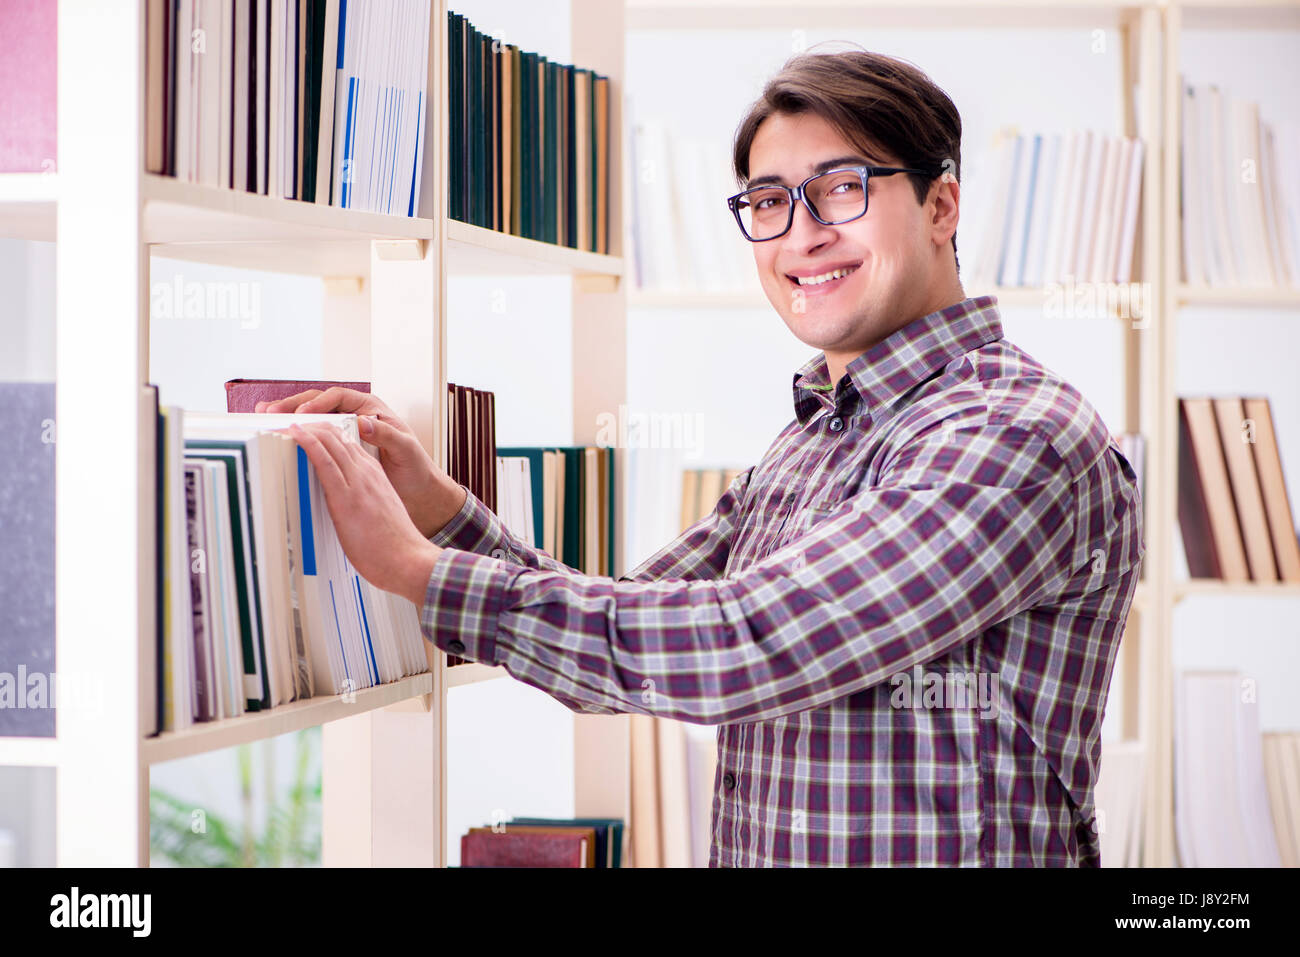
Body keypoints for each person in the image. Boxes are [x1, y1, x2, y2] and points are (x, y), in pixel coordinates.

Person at [273, 49, 1144, 867]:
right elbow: (633, 632)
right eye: (770, 202)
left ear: (941, 205)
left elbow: (744, 642)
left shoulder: (1014, 433)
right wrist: (436, 510)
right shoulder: (813, 438)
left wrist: (420, 571)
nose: (801, 235)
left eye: (840, 188)